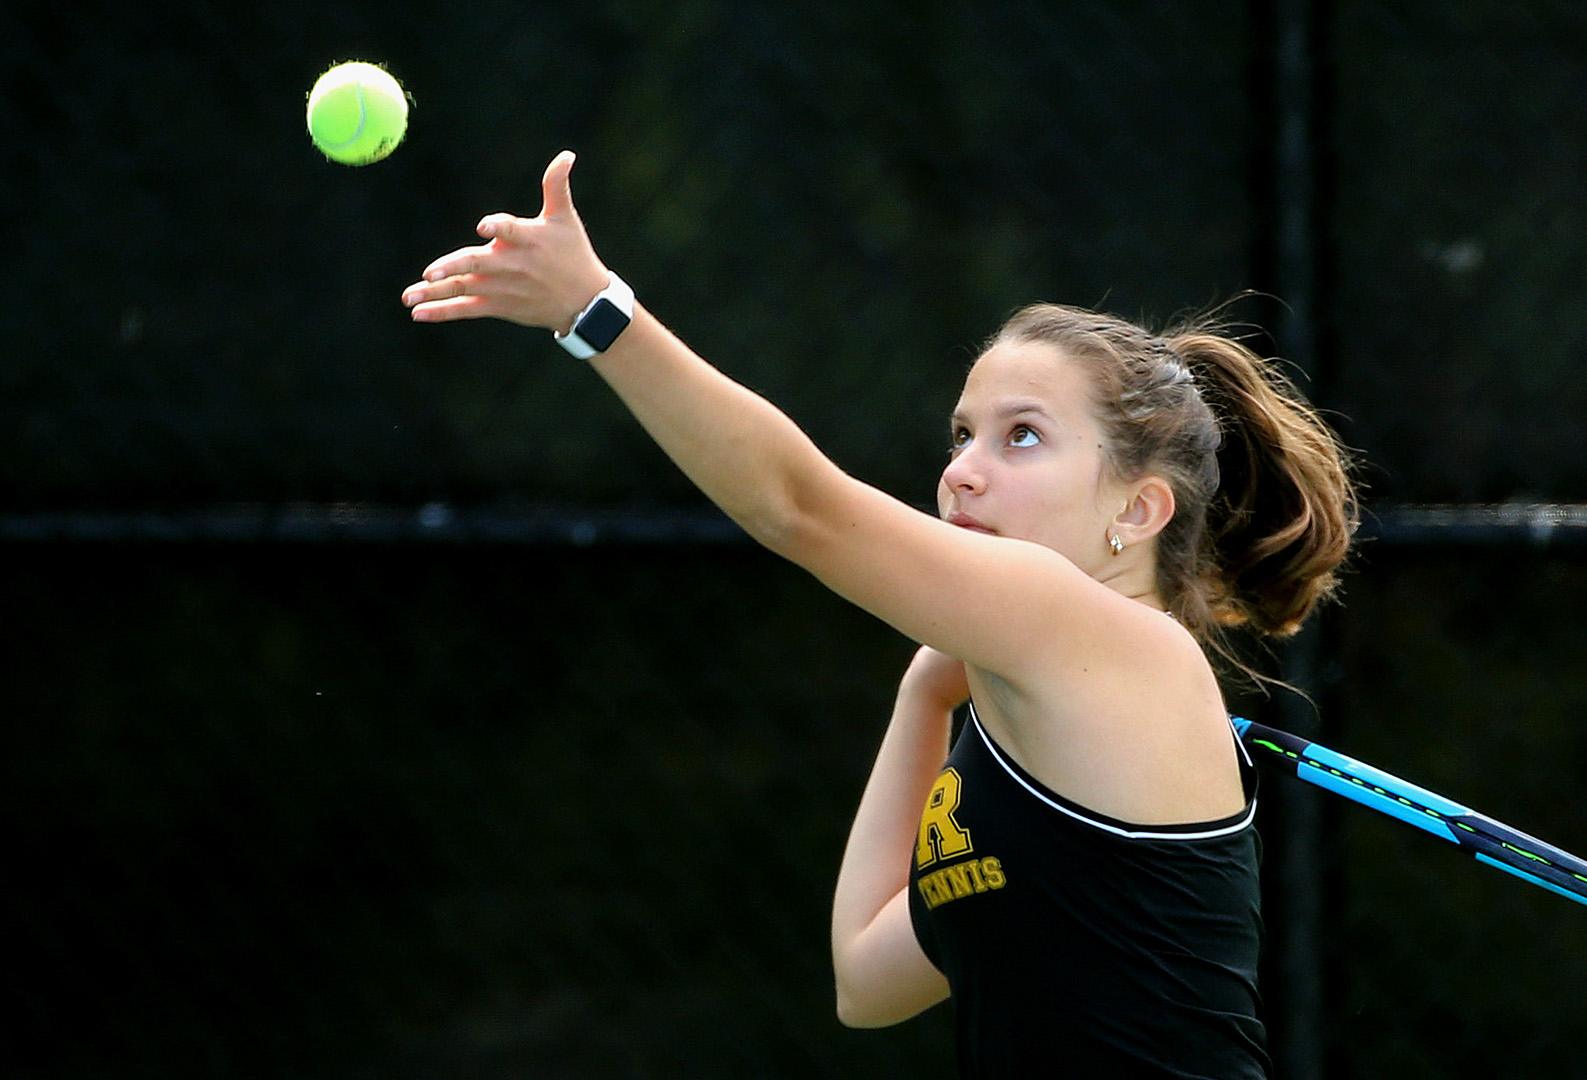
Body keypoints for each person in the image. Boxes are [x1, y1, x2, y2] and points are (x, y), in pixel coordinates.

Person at [403, 150, 1357, 1078]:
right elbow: (865, 977)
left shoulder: (1103, 635)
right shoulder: (1019, 711)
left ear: (1138, 511)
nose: (963, 470)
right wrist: (923, 696)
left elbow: (798, 507)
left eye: (1023, 437)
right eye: (962, 434)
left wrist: (594, 310)